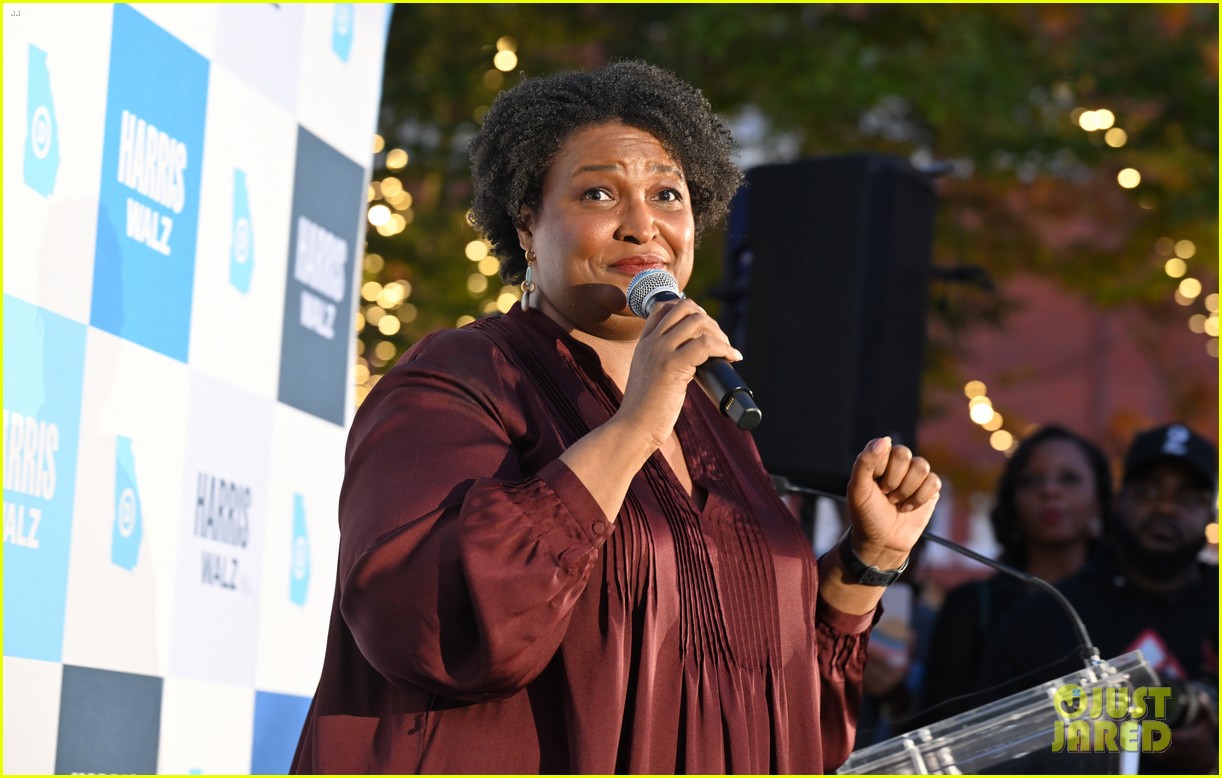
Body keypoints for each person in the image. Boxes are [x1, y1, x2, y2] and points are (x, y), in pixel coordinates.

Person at [289, 60, 941, 774]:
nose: (643, 225)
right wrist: (633, 427)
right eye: (599, 192)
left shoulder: (713, 417)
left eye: (668, 193)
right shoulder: (457, 380)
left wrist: (868, 560)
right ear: (528, 226)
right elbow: (420, 619)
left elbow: (771, 698)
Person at [977, 423, 1218, 773]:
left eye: (1186, 497)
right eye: (1149, 491)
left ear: (1210, 514)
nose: (1166, 508)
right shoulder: (1048, 613)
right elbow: (986, 749)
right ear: (1120, 501)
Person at [917, 425, 1112, 723]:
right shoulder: (971, 605)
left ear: (1100, 499)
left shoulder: (1123, 601)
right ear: (1012, 500)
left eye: (1069, 479)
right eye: (1031, 481)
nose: (1050, 490)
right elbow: (941, 724)